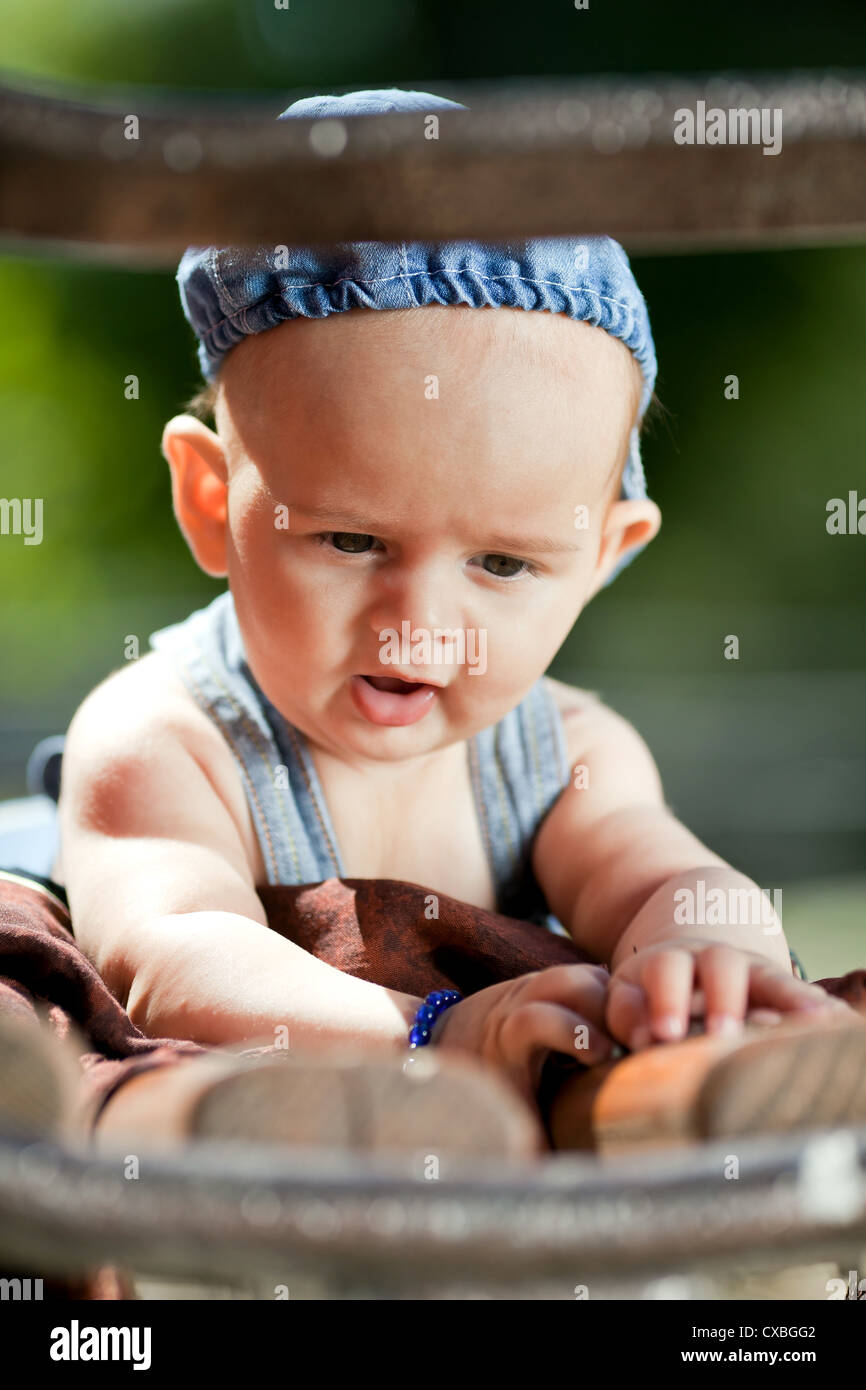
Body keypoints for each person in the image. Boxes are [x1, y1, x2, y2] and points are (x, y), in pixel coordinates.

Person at [45, 87, 856, 1132]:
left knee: (713, 994)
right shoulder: (170, 736)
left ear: (602, 558)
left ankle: (696, 1088)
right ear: (211, 503)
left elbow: (666, 876)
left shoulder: (566, 754)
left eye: (504, 563)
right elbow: (173, 960)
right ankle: (248, 1133)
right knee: (39, 988)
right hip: (294, 1067)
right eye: (350, 541)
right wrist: (431, 1037)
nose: (417, 624)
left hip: (502, 1066)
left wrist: (705, 957)